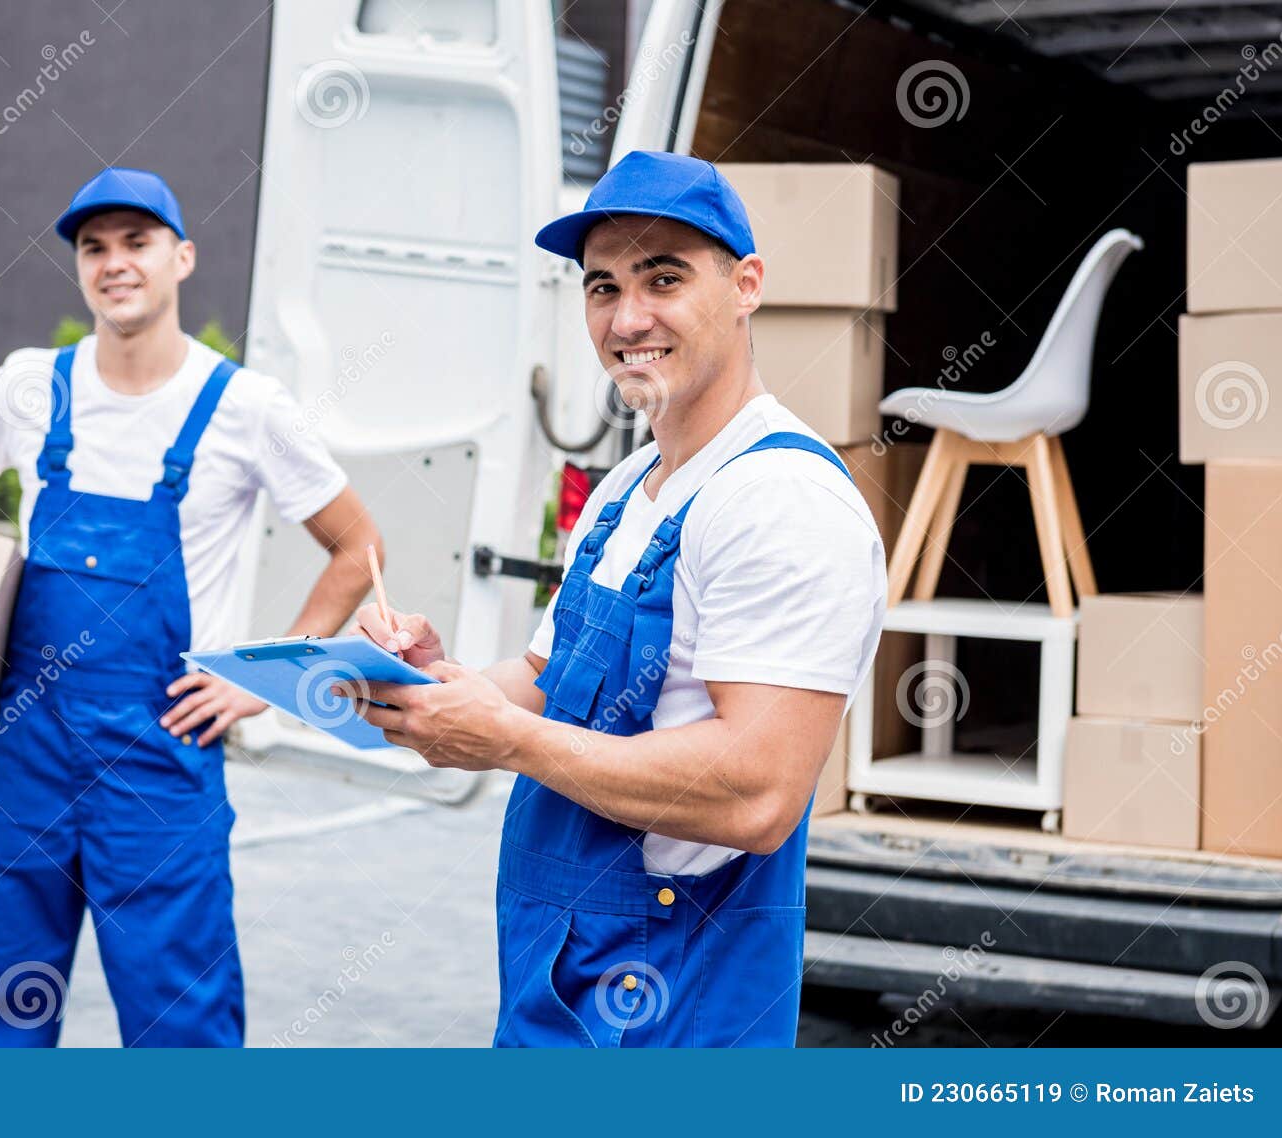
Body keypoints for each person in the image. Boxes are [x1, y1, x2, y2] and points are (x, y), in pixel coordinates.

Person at [0, 167, 382, 1047]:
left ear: (181, 257)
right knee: (5, 1017)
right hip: (28, 755)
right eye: (93, 247)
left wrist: (265, 681)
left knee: (181, 1028)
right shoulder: (28, 388)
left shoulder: (245, 408)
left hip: (161, 763)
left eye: (136, 242)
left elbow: (358, 549)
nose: (114, 263)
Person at [345, 150, 886, 1047]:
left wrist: (509, 739)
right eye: (602, 288)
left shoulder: (781, 503)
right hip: (558, 975)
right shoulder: (627, 486)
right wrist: (435, 683)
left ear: (746, 284)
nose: (627, 318)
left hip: (674, 994)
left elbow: (759, 793)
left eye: (663, 278)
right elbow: (546, 681)